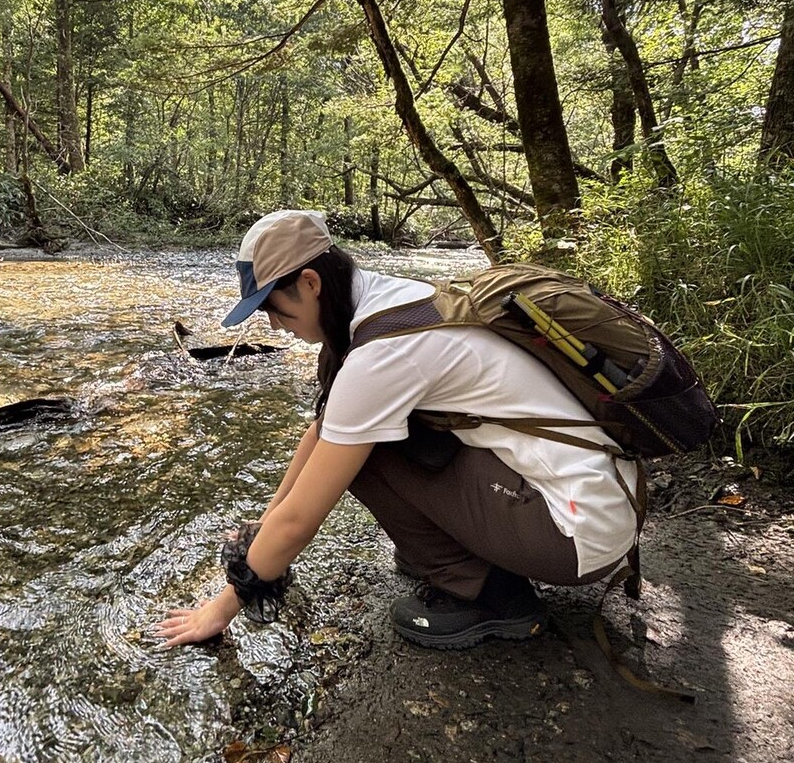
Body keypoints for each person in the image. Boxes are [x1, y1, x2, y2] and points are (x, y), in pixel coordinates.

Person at [158, 210, 637, 651]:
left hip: (575, 533)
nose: (276, 327)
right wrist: (259, 527)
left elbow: (301, 519)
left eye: (274, 309)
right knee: (350, 443)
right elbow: (319, 435)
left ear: (309, 282)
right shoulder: (385, 301)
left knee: (362, 457)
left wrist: (221, 609)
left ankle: (492, 597)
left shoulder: (382, 354)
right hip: (598, 497)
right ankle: (455, 557)